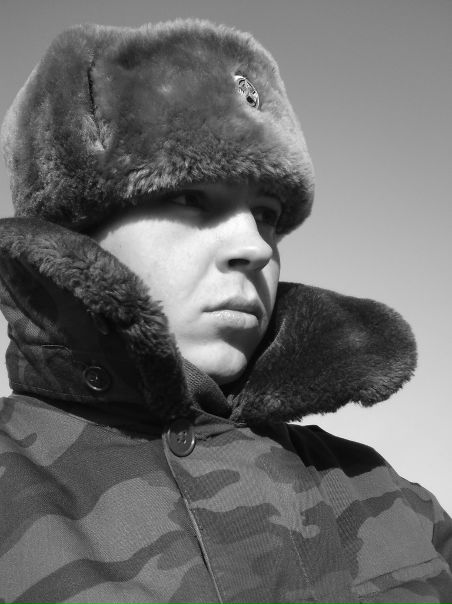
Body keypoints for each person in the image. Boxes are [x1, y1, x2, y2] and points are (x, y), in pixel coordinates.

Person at [0, 19, 450, 604]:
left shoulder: (386, 496)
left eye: (266, 214)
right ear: (76, 232)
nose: (256, 246)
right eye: (191, 197)